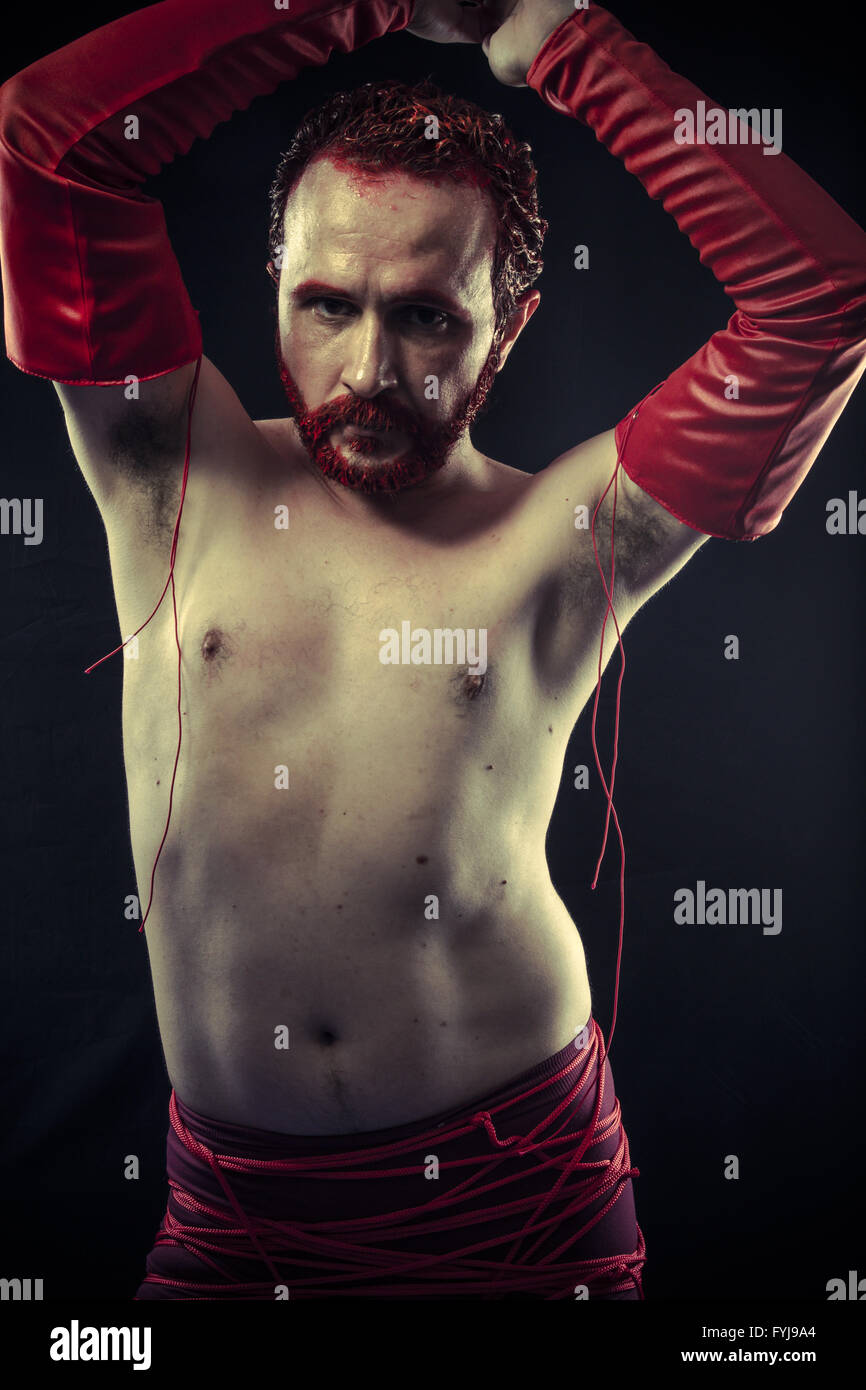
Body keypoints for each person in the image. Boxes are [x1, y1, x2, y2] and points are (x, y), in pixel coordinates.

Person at [1, 0, 864, 1299]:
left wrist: (564, 43)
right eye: (326, 303)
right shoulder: (166, 473)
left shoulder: (569, 534)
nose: (367, 369)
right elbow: (49, 143)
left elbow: (823, 295)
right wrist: (354, 5)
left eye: (426, 319)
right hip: (234, 1210)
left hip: (518, 1191)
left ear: (509, 324)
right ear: (274, 282)